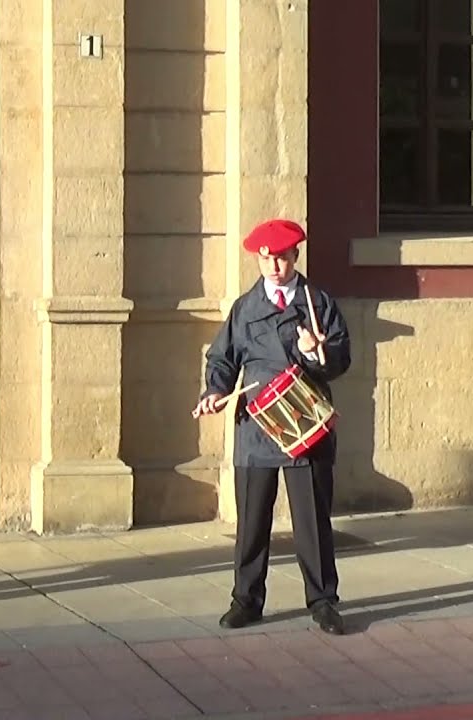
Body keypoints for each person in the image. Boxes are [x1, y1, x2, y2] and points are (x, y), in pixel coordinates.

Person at [192, 218, 352, 635]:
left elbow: (340, 359)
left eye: (281, 258)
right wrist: (214, 390)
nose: (274, 266)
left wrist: (315, 352)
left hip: (304, 426)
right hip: (257, 427)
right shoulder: (246, 307)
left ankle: (323, 601)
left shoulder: (318, 301)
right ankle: (246, 600)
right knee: (251, 522)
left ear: (295, 256)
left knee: (312, 522)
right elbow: (222, 357)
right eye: (266, 259)